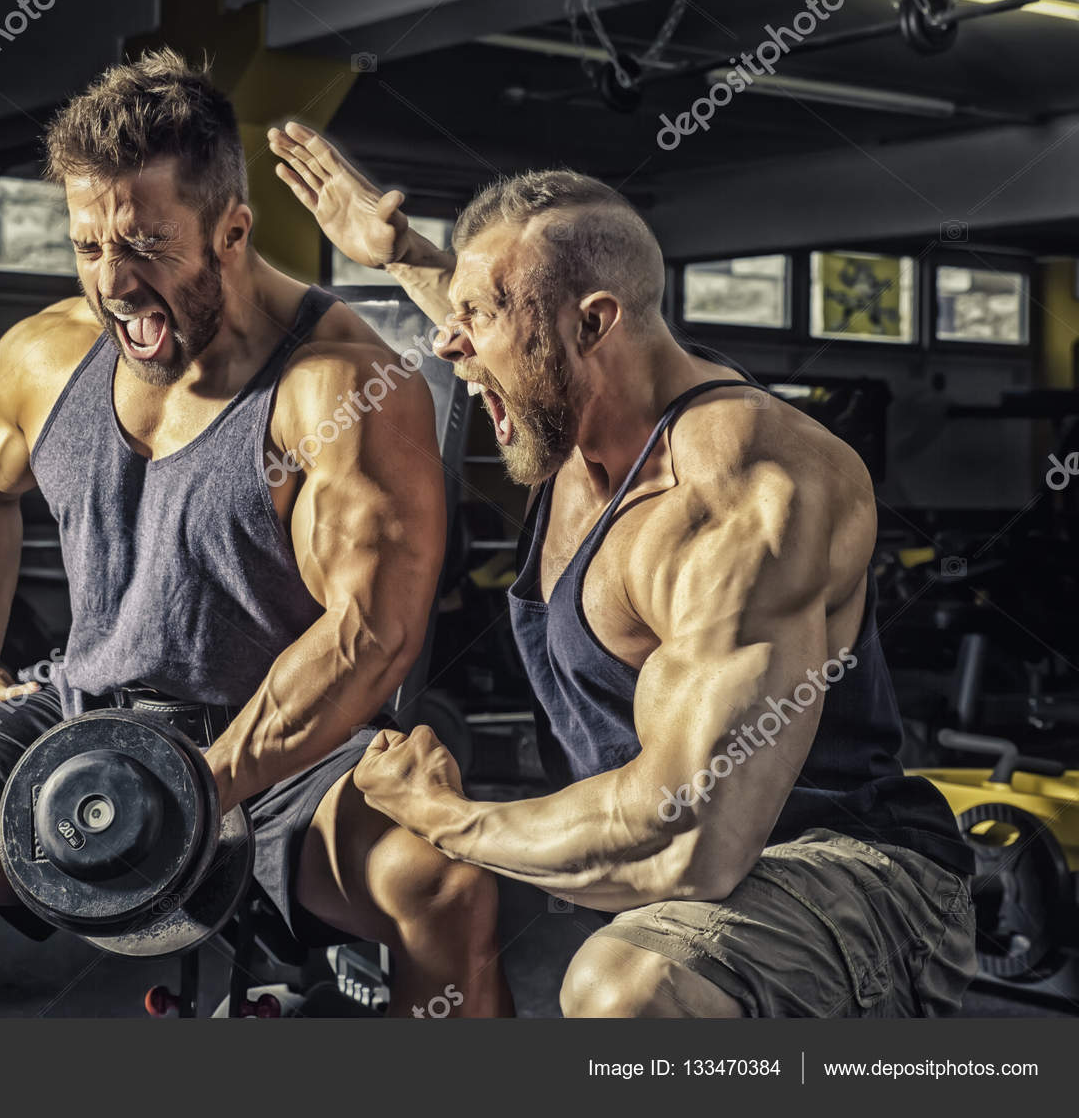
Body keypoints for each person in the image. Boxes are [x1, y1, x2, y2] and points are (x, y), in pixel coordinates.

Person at [0, 54, 512, 1018]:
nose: (113, 283)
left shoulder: (339, 387)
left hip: (288, 752)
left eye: (144, 245)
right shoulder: (46, 355)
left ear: (231, 229)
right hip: (84, 705)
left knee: (445, 892)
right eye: (89, 246)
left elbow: (369, 637)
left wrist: (186, 791)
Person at [271, 120, 976, 1018]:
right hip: (700, 881)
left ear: (594, 323)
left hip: (854, 872)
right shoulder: (572, 405)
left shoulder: (742, 490)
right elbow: (516, 318)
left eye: (476, 319)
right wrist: (403, 253)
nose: (451, 342)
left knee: (624, 990)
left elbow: (692, 841)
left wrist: (448, 818)